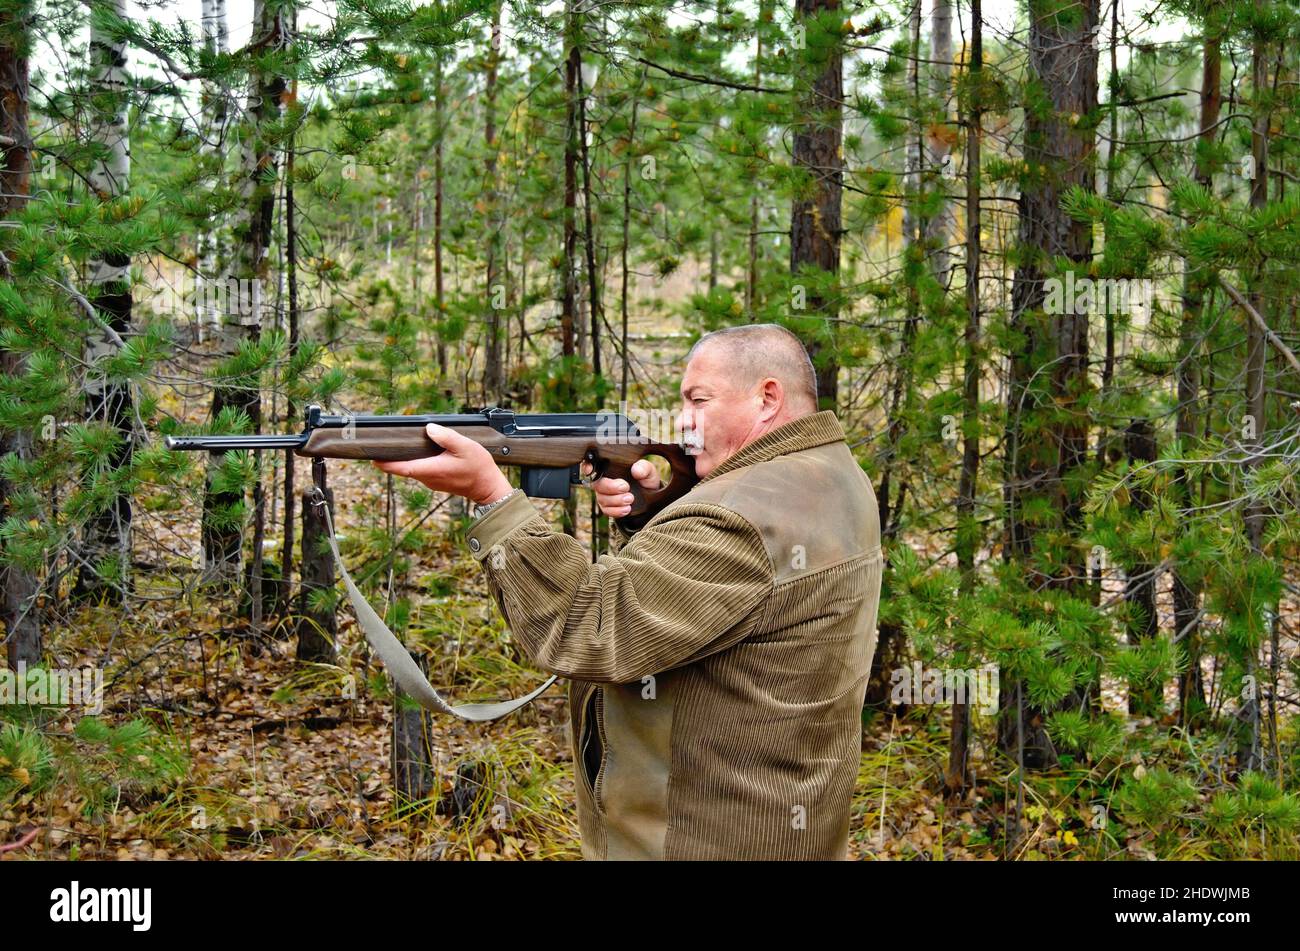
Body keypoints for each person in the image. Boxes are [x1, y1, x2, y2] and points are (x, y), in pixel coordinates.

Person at [376, 323, 883, 860]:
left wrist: (492, 499)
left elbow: (587, 626)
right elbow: (737, 600)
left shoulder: (740, 514)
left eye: (699, 400)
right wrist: (655, 515)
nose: (682, 420)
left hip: (701, 839)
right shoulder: (831, 473)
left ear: (767, 398)